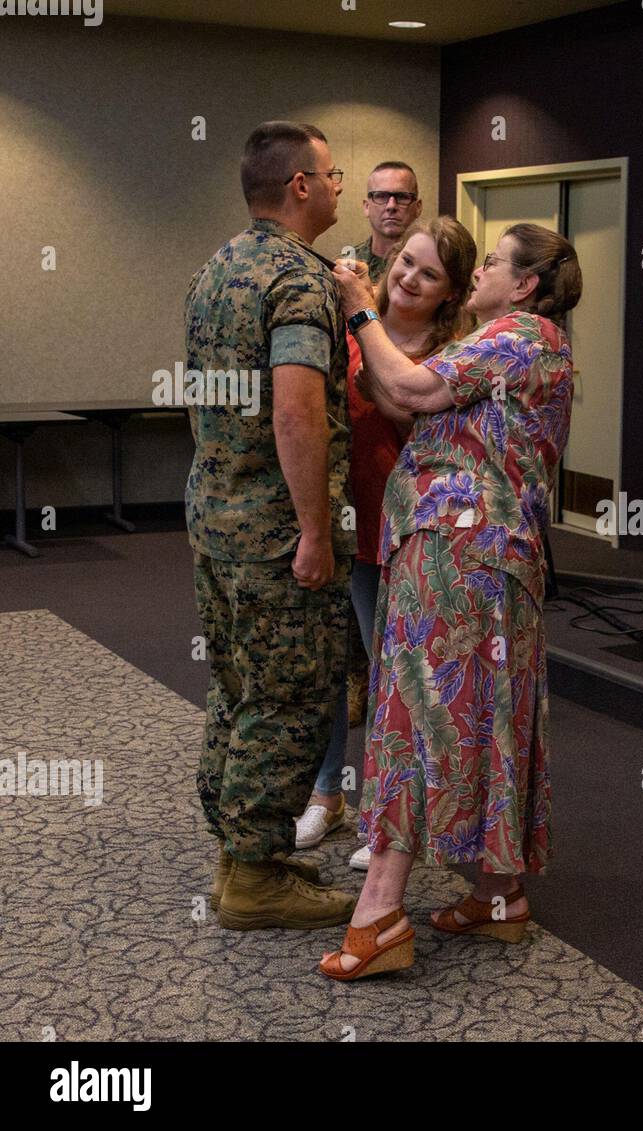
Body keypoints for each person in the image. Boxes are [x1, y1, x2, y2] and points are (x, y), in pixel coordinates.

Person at [317, 223, 582, 979]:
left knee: (412, 711)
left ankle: (380, 913)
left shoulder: (514, 335)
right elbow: (424, 408)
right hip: (491, 558)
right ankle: (499, 896)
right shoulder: (537, 344)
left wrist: (360, 306)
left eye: (494, 262)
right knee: (487, 713)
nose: (481, 271)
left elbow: (409, 388)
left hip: (459, 556)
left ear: (525, 284)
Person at [185, 120, 357, 930]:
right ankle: (254, 879)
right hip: (271, 531)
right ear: (300, 186)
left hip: (214, 518)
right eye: (331, 174)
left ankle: (237, 848)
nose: (338, 186)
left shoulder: (217, 267)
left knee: (237, 683)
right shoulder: (298, 278)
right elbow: (297, 410)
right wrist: (315, 532)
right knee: (289, 696)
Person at [294, 218, 477, 869]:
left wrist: (363, 311)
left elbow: (406, 408)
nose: (408, 277)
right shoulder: (350, 327)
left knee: (393, 682)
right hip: (338, 525)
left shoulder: (448, 351)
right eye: (405, 262)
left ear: (448, 294)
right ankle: (325, 795)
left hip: (400, 537)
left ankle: (392, 816)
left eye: (428, 274)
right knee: (323, 666)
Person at [351, 161, 424, 285]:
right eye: (381, 196)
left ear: (418, 207)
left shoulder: (433, 264)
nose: (391, 206)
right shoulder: (349, 264)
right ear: (367, 207)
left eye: (402, 197)